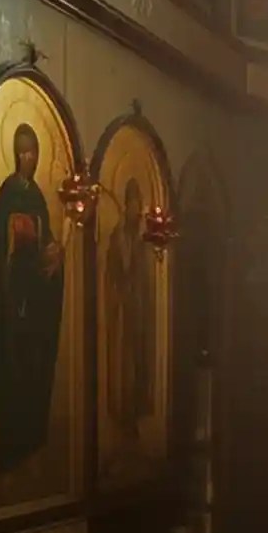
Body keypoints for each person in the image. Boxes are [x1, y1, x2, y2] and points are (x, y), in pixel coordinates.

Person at [0, 124, 65, 473]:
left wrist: (53, 255)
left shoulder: (37, 198)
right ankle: (12, 440)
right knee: (13, 363)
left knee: (34, 361)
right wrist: (12, 240)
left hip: (35, 295)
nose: (26, 158)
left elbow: (46, 239)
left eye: (31, 151)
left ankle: (32, 434)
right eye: (21, 151)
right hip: (12, 291)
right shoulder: (7, 192)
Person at [104, 179, 156, 440]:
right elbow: (112, 268)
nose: (136, 207)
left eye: (139, 202)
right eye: (132, 202)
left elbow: (149, 272)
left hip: (139, 308)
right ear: (127, 204)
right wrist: (120, 285)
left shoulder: (146, 236)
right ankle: (123, 415)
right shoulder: (118, 235)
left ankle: (137, 411)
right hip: (124, 309)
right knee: (124, 363)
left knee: (139, 359)